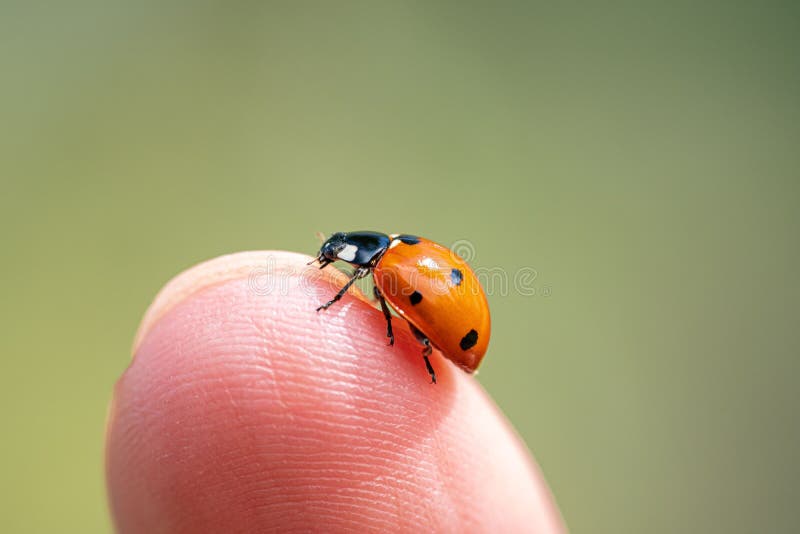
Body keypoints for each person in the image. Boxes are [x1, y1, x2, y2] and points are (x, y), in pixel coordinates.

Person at [106, 251, 566, 533]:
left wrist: (368, 311)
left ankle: (425, 347)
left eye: (340, 256)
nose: (336, 262)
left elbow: (376, 292)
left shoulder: (388, 264)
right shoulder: (392, 258)